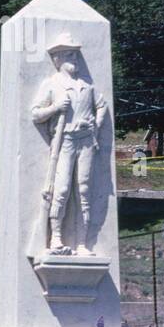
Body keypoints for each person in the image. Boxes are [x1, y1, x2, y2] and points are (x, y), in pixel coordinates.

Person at [31, 32, 107, 254]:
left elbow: (101, 106)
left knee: (84, 191)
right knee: (61, 189)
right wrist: (55, 107)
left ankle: (82, 244)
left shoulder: (87, 86)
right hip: (64, 141)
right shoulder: (52, 84)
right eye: (68, 55)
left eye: (74, 54)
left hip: (86, 141)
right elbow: (36, 114)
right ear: (57, 59)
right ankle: (55, 239)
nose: (73, 59)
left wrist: (95, 126)